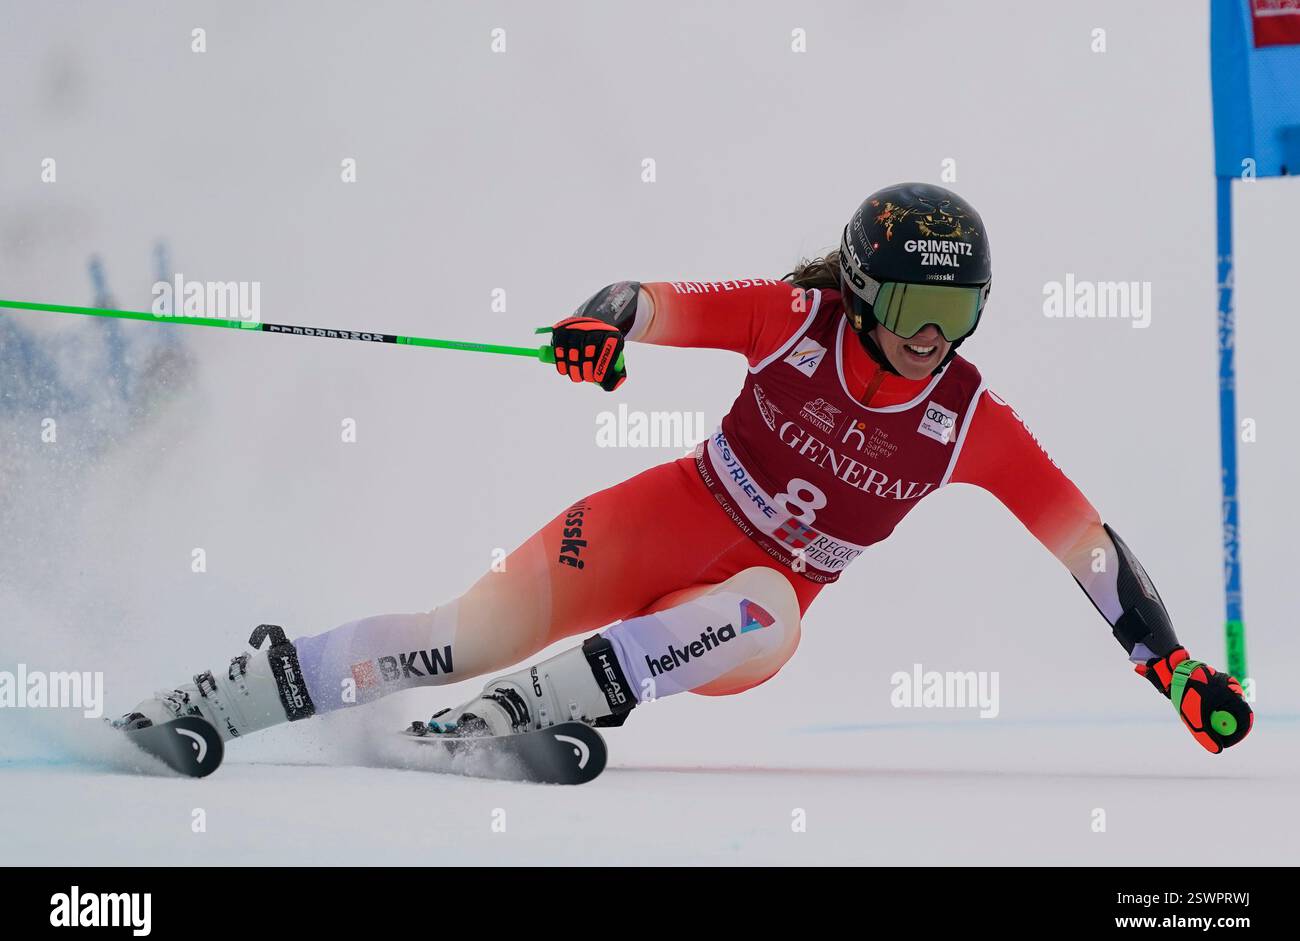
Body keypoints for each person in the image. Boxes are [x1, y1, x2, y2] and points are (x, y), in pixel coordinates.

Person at [116, 183, 1252, 755]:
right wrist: (600, 326)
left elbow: (1088, 549)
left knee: (768, 611)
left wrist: (1172, 670)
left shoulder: (967, 420)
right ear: (863, 289)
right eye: (914, 305)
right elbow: (647, 301)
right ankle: (225, 698)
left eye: (957, 313)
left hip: (744, 612)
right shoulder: (793, 320)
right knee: (456, 635)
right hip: (657, 521)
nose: (930, 337)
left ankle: (524, 711)